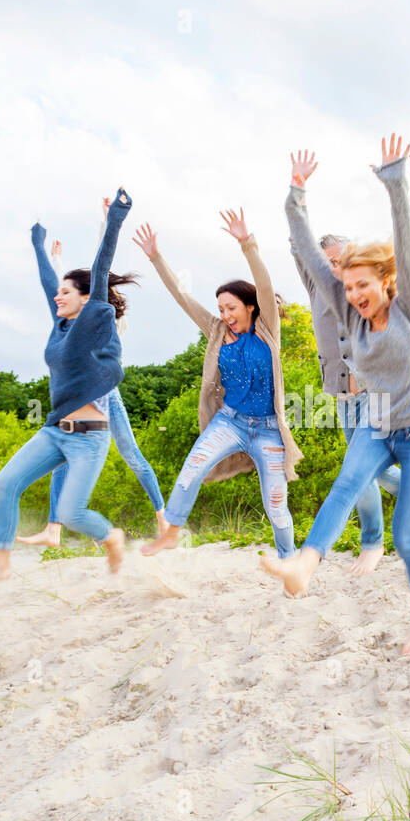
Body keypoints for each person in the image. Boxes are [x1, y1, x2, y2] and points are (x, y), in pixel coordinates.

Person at [262, 136, 410, 655]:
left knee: (408, 538)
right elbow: (304, 247)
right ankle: (304, 563)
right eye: (346, 287)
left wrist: (403, 183)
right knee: (346, 483)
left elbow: (405, 243)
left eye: (362, 285)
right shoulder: (347, 312)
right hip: (377, 418)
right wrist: (296, 193)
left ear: (384, 280)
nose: (354, 296)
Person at [0, 187, 134, 595]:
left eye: (66, 292)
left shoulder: (94, 317)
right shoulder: (59, 325)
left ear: (86, 298)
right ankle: (0, 565)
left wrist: (115, 220)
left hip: (90, 439)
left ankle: (111, 537)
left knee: (73, 514)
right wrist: (37, 244)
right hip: (56, 431)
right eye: (58, 293)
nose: (57, 296)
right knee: (5, 484)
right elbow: (46, 281)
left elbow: (102, 262)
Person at [131, 208, 301, 558]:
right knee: (191, 468)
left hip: (269, 430)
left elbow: (265, 285)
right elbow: (182, 296)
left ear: (251, 307)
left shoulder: (267, 330)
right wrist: (156, 258)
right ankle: (172, 531)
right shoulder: (216, 331)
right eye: (221, 309)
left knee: (276, 503)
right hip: (229, 421)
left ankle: (289, 560)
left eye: (231, 308)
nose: (225, 315)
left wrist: (246, 243)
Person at [18, 197, 168, 547]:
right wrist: (46, 253)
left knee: (132, 456)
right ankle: (53, 530)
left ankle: (164, 521)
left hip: (103, 397)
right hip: (81, 397)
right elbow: (59, 287)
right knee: (64, 455)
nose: (62, 299)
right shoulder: (70, 316)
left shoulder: (110, 319)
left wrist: (108, 221)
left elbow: (100, 270)